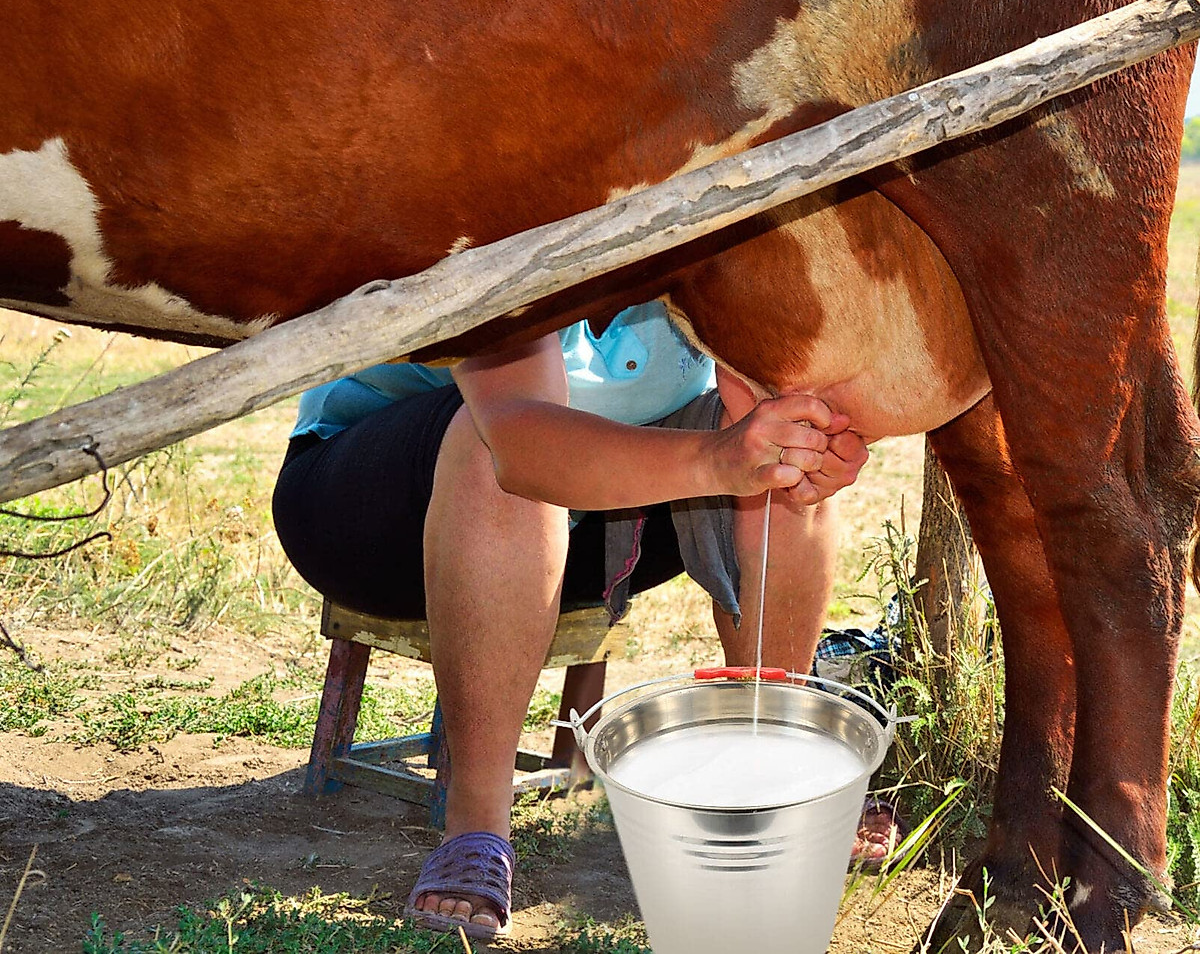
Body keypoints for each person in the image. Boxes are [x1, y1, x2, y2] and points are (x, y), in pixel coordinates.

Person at [273, 301, 873, 942]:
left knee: (787, 446)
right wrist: (717, 459)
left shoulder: (704, 232)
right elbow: (520, 437)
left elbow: (763, 398)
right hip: (371, 508)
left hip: (596, 515)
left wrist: (804, 441)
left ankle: (784, 780)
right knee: (490, 447)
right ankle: (476, 825)